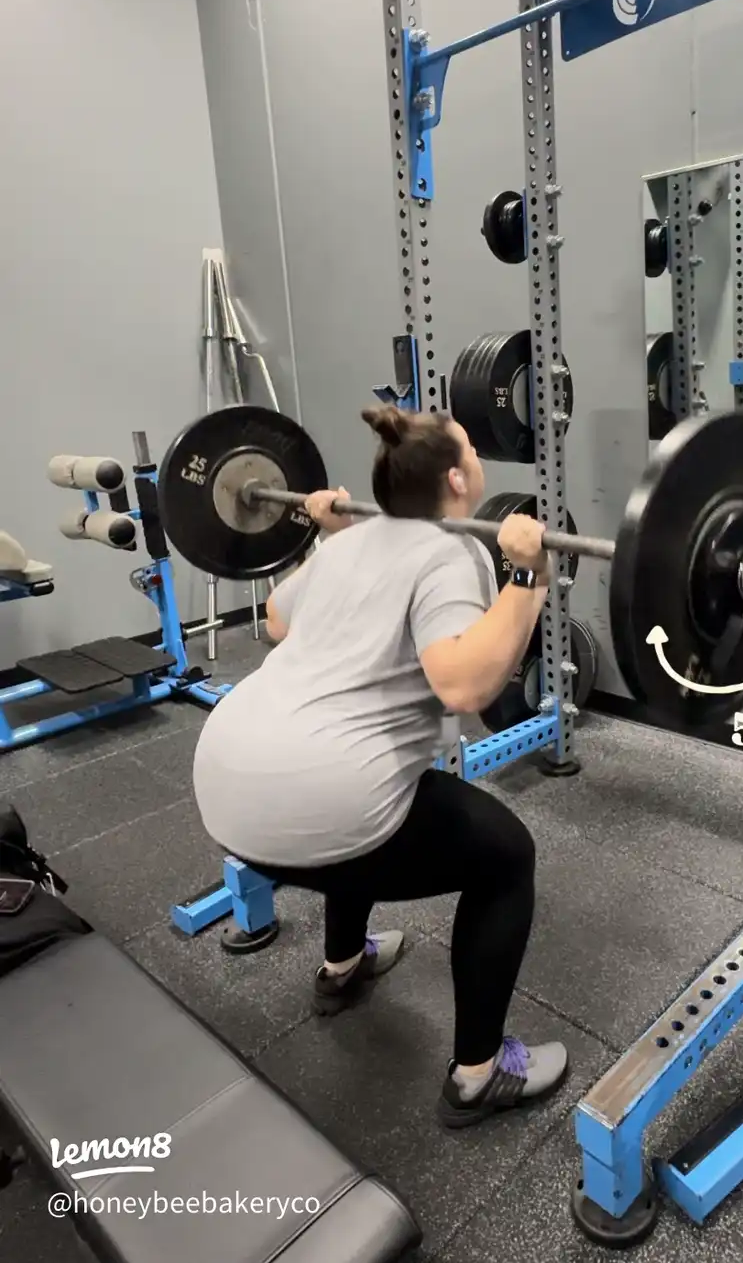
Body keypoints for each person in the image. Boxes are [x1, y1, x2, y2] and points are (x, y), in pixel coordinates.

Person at [191, 405, 569, 1129]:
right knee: (504, 855)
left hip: (226, 790)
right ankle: (479, 1075)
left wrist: (327, 537)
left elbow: (276, 619)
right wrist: (528, 575)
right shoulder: (449, 552)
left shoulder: (345, 546)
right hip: (327, 802)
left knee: (383, 783)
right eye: (471, 453)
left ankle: (342, 967)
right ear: (458, 478)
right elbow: (465, 685)